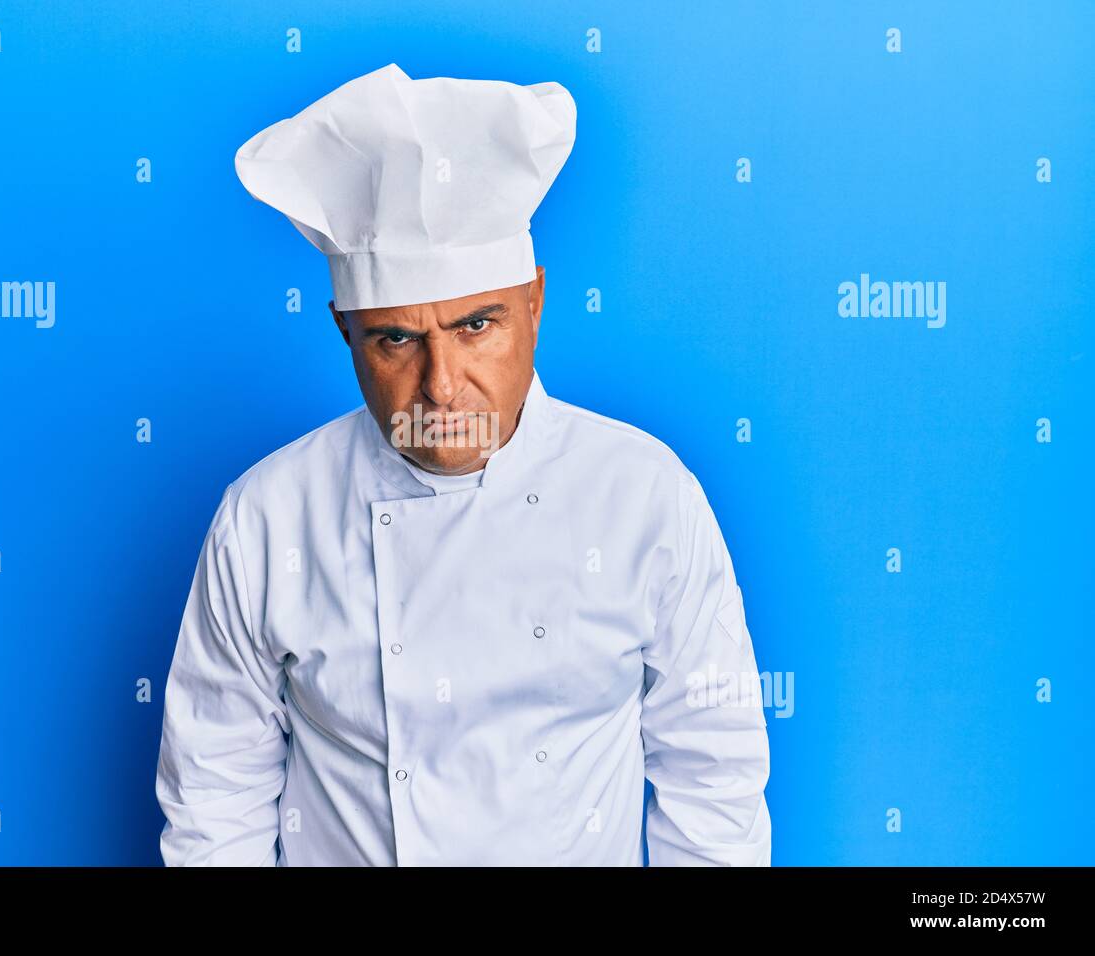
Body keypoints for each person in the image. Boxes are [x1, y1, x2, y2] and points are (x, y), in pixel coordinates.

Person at [155, 63, 771, 866]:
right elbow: (213, 792)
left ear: (536, 302)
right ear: (345, 331)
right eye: (396, 340)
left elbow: (713, 775)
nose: (442, 386)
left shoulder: (646, 497)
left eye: (478, 326)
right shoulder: (269, 517)